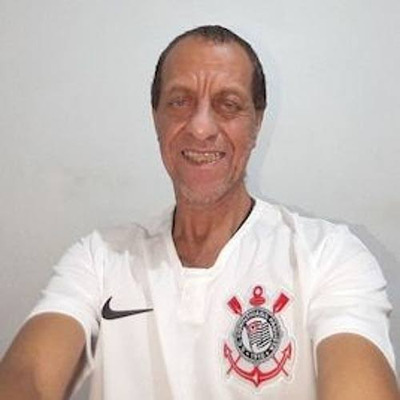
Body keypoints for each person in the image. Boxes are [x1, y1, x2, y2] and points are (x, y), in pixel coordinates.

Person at [0, 25, 398, 400]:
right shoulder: (100, 258)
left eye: (228, 105)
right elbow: (28, 376)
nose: (201, 128)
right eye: (179, 102)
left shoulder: (328, 256)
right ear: (156, 116)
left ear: (257, 123)